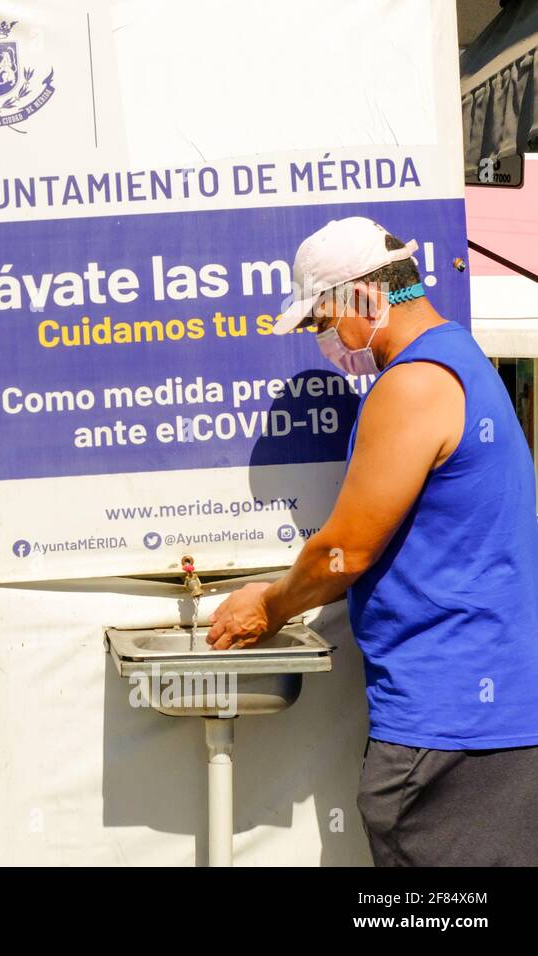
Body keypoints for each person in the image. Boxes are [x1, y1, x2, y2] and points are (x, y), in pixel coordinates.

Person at [210, 217, 538, 865]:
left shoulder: (412, 384)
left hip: (450, 734)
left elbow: (344, 552)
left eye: (320, 322)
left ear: (365, 299)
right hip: (481, 725)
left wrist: (267, 607)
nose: (322, 342)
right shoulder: (463, 362)